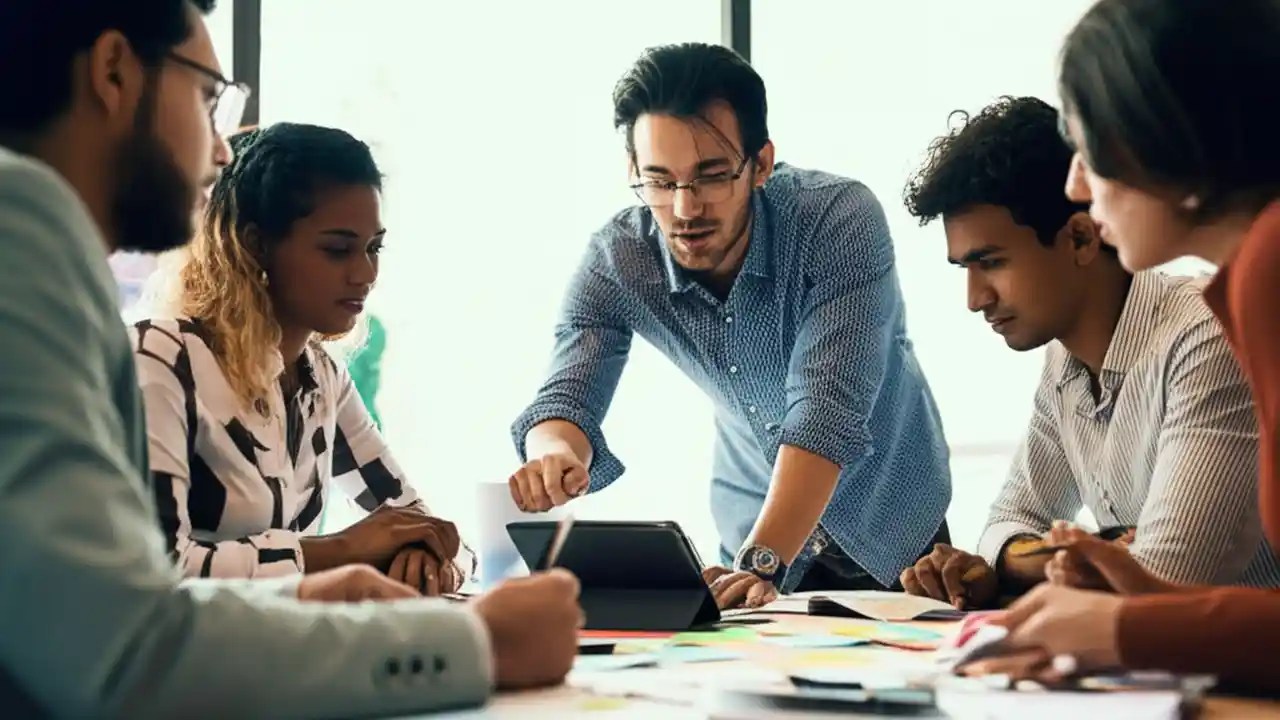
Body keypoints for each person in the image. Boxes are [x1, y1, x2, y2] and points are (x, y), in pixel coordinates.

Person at [0, 1, 580, 716]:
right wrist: (477, 645)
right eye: (209, 98)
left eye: (373, 249)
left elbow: (414, 525)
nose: (221, 151)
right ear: (114, 71)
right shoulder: (25, 227)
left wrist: (334, 582)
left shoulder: (319, 378)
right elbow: (126, 645)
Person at [507, 42, 952, 609]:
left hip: (891, 530)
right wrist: (553, 453)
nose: (685, 209)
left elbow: (826, 412)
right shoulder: (618, 258)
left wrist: (763, 558)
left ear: (760, 164)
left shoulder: (837, 218)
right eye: (659, 181)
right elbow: (565, 397)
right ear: (633, 171)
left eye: (712, 176)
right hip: (750, 531)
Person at [956, 0, 1280, 694]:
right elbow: (1009, 520)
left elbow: (1184, 575)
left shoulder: (1265, 270)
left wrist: (1117, 627)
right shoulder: (1251, 276)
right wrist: (1124, 592)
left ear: (1170, 135)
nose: (1077, 184)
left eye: (1091, 147)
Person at [897, 96, 1280, 609]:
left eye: (991, 262)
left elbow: (1165, 574)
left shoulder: (1203, 339)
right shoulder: (1065, 363)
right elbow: (1003, 526)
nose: (974, 298)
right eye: (964, 268)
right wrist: (1080, 554)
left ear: (1079, 239)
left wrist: (1044, 560)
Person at [133, 123, 472, 594]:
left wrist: (429, 559)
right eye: (338, 250)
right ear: (255, 245)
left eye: (374, 248)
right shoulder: (163, 358)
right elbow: (154, 567)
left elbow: (434, 531)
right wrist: (342, 550)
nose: (366, 273)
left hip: (279, 638)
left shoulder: (323, 378)